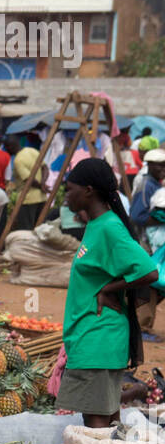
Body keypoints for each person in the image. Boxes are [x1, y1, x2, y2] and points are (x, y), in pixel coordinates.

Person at [59, 158, 157, 428]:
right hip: (91, 336)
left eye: (70, 189)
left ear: (88, 190)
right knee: (104, 421)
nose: (66, 196)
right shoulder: (96, 224)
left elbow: (149, 271)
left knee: (97, 427)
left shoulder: (109, 228)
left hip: (99, 339)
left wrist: (108, 289)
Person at [128, 149, 165, 335]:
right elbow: (136, 216)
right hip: (144, 243)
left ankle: (141, 323)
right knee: (150, 284)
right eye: (160, 165)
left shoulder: (155, 184)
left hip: (153, 244)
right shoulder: (146, 185)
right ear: (149, 165)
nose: (163, 169)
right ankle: (141, 326)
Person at [10, 138, 49, 232]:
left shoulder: (18, 160)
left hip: (27, 200)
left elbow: (28, 180)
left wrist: (41, 185)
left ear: (10, 147)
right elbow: (45, 168)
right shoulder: (32, 151)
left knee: (26, 231)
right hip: (42, 198)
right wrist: (43, 184)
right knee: (40, 230)